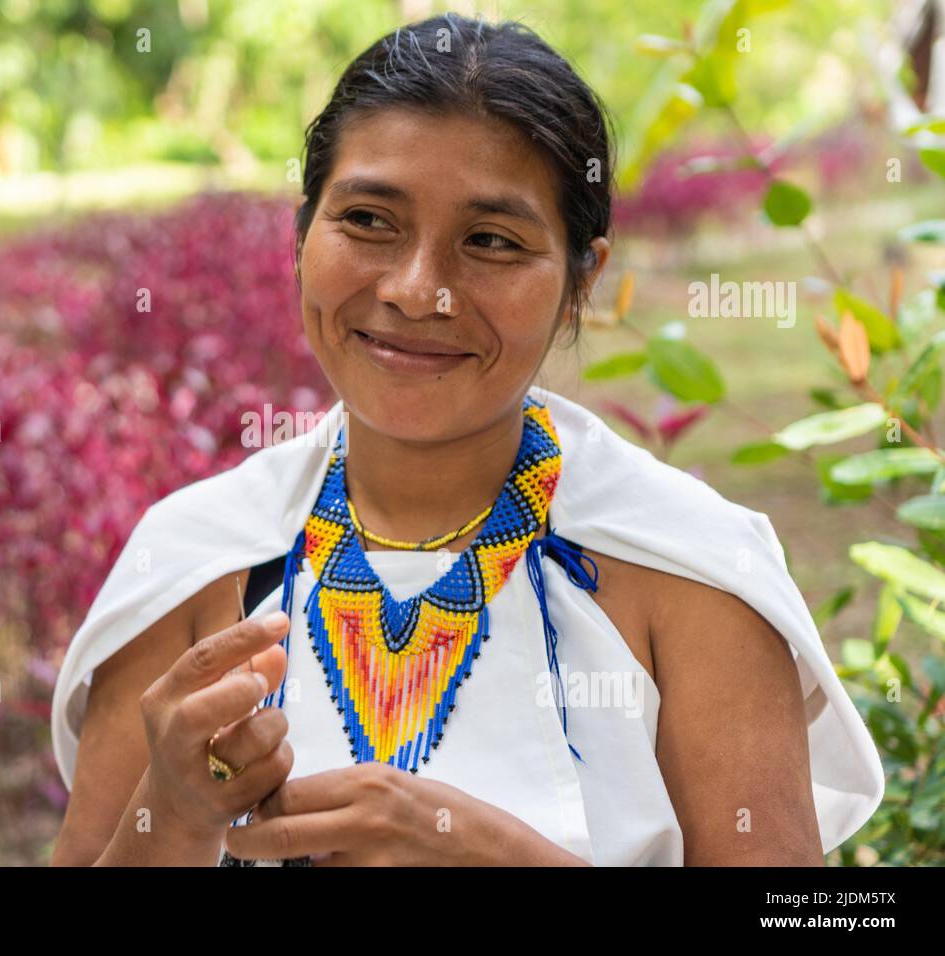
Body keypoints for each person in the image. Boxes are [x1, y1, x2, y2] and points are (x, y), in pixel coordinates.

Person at [48, 13, 884, 866]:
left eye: (491, 241)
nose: (419, 292)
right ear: (302, 238)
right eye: (369, 220)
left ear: (578, 282)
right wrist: (176, 812)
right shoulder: (196, 557)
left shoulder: (690, 572)